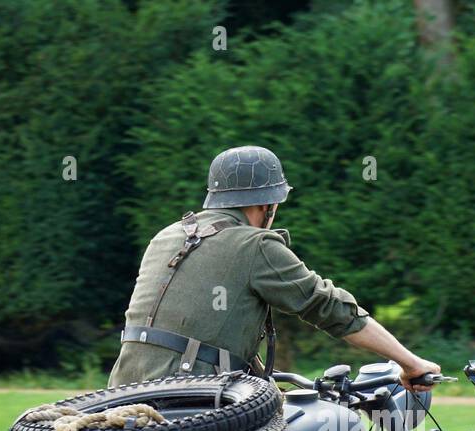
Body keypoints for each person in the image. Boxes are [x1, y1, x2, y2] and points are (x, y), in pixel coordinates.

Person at [108, 145, 440, 392]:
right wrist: (411, 364)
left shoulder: (168, 235)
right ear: (268, 203)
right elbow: (328, 306)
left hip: (122, 390)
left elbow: (204, 326)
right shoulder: (256, 246)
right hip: (190, 398)